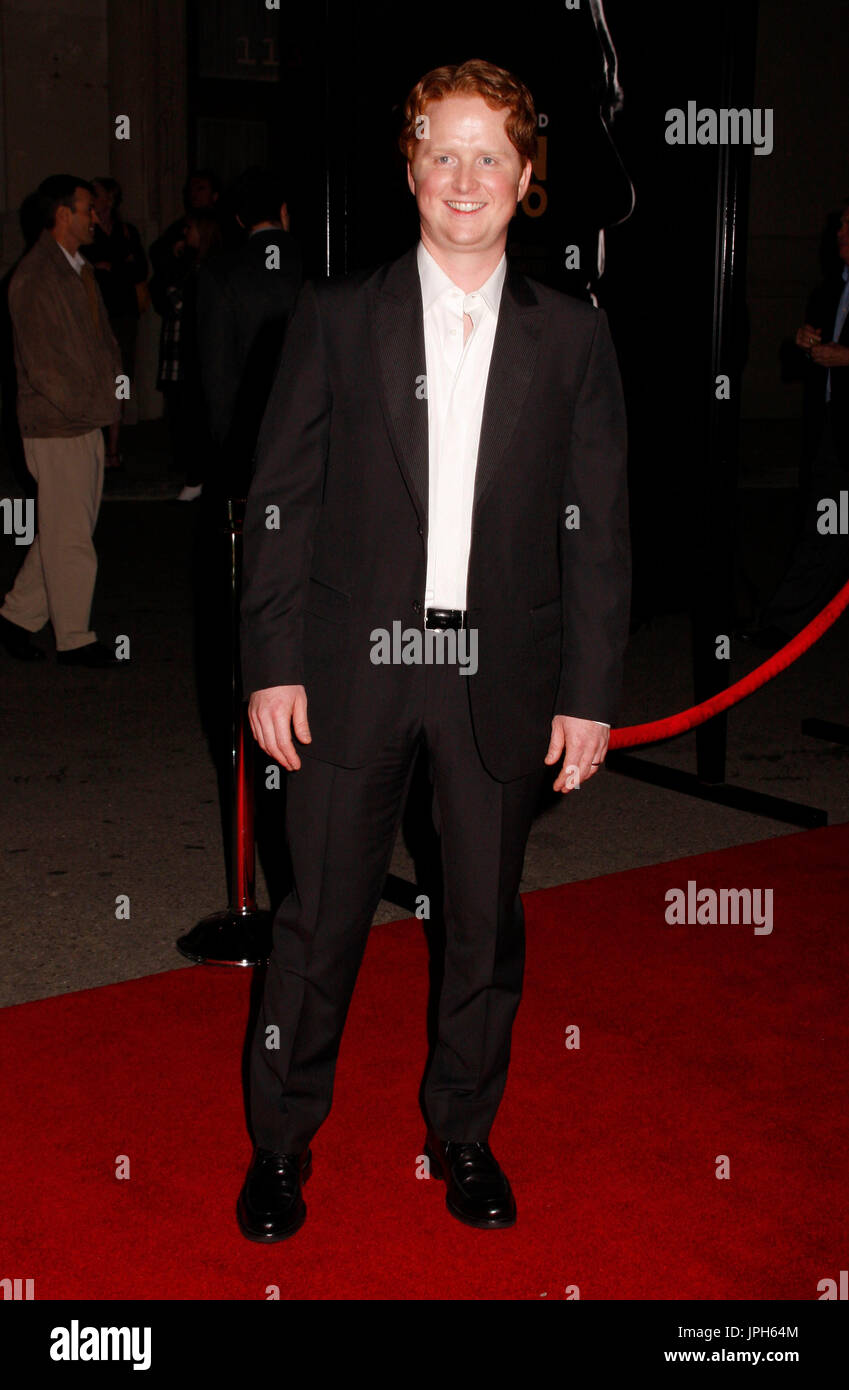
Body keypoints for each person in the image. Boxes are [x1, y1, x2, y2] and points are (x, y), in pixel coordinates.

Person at [236, 59, 630, 1242]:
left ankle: (463, 1132)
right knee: (319, 922)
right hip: (353, 665)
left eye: (491, 157)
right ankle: (281, 1145)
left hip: (498, 674)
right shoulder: (336, 317)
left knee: (482, 922)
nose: (466, 178)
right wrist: (270, 662)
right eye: (443, 153)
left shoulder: (572, 336)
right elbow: (278, 502)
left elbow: (599, 527)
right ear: (410, 167)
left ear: (526, 180)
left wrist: (592, 694)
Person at [0, 175, 123, 667]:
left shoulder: (78, 269)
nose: (97, 216)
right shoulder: (35, 277)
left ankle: (14, 619)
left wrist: (109, 397)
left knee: (62, 527)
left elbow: (104, 342)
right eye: (88, 208)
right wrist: (90, 407)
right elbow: (43, 366)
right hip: (56, 425)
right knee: (70, 535)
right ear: (62, 214)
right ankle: (75, 638)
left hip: (82, 419)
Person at [743, 197, 849, 650]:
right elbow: (802, 359)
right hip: (834, 434)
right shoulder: (831, 290)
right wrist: (803, 344)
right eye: (839, 224)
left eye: (848, 225)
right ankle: (784, 628)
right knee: (824, 529)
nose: (839, 233)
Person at [197, 167, 302, 503]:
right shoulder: (318, 264)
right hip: (310, 427)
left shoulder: (220, 273)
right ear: (284, 212)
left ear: (240, 220)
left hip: (249, 430)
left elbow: (216, 370)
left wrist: (225, 443)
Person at [155, 209, 222, 500]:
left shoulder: (206, 268)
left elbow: (178, 302)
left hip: (196, 357)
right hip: (179, 352)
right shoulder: (190, 265)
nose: (186, 235)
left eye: (190, 229)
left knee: (195, 417)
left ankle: (199, 475)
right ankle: (191, 469)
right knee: (182, 413)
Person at [83, 177, 148, 469]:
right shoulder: (88, 231)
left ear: (110, 198)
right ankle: (96, 443)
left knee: (121, 378)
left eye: (96, 194)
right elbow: (84, 269)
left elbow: (139, 269)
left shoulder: (126, 231)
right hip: (95, 315)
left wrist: (114, 268)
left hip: (123, 315)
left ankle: (113, 445)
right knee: (96, 377)